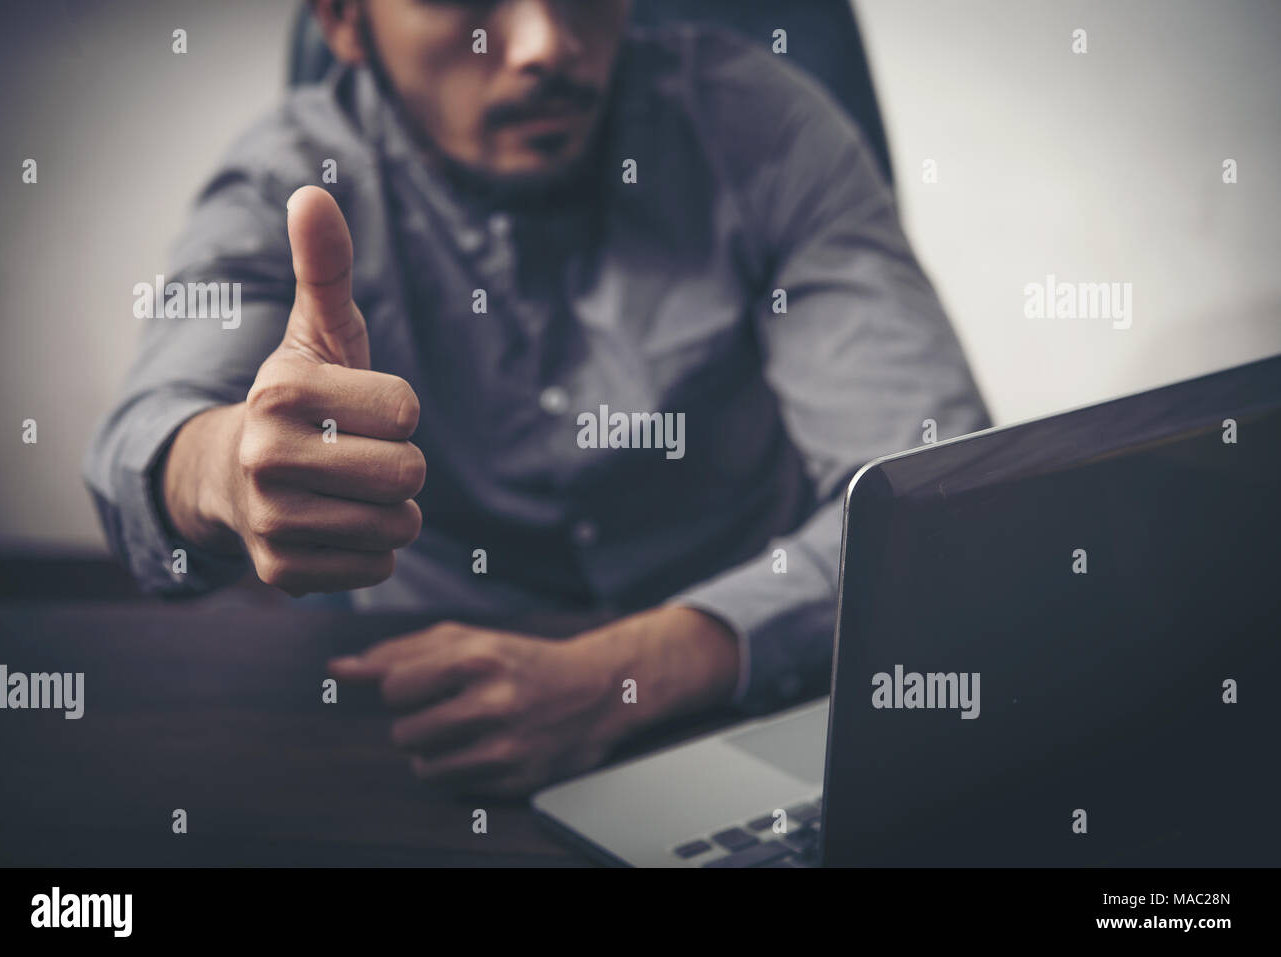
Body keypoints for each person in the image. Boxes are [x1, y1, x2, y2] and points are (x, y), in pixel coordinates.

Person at [83, 0, 990, 796]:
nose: (544, 43)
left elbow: (932, 497)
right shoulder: (290, 176)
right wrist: (229, 467)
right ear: (343, 19)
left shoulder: (765, 129)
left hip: (759, 688)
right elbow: (149, 439)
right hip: (430, 712)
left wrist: (636, 671)